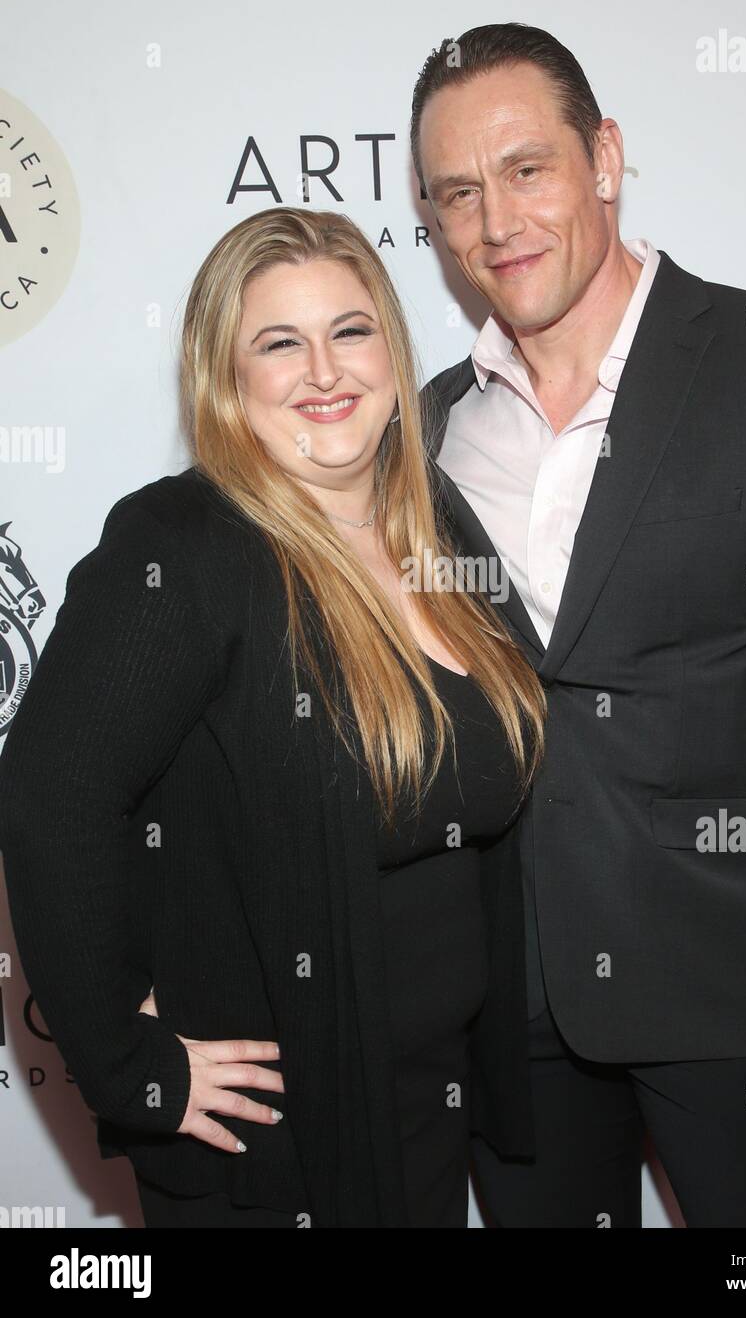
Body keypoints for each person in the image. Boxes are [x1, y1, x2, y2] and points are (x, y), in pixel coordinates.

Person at [410, 22, 746, 1227]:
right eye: (455, 193)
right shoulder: (425, 429)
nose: (496, 222)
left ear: (605, 157)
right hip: (514, 1012)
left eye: (526, 168)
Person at [0, 207, 547, 1228]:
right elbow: (50, 796)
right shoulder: (182, 549)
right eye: (277, 342)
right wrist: (128, 1062)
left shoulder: (434, 521)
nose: (323, 370)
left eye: (349, 329)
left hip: (425, 1107)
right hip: (277, 1139)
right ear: (223, 374)